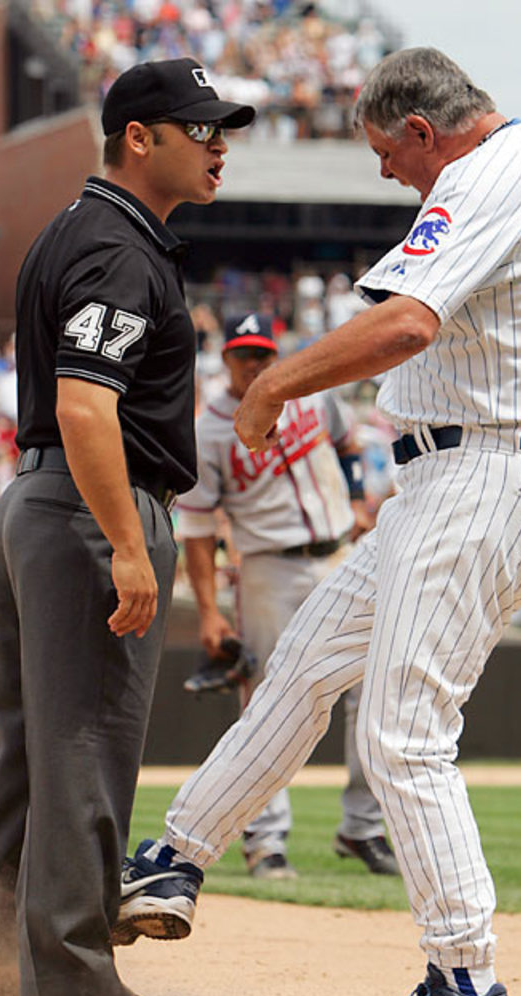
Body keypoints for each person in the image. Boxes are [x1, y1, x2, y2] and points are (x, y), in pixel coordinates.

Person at [116, 47, 521, 996]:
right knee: (302, 671)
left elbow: (405, 323)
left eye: (387, 154)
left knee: (404, 735)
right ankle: (174, 858)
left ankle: (466, 984)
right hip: (490, 475)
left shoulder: (483, 175)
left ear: (422, 129)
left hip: (481, 474)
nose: (387, 173)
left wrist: (273, 386)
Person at [0, 57, 255, 996]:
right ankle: (74, 994)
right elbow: (84, 405)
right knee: (82, 752)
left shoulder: (77, 227)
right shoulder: (116, 244)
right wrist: (127, 546)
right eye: (202, 129)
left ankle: (1, 979)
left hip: (40, 500)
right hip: (88, 508)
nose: (219, 146)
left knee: (26, 757)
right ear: (139, 137)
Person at [175, 312, 399, 879]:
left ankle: (363, 828)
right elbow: (197, 530)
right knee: (268, 699)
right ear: (226, 359)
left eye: (263, 354)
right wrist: (208, 612)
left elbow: (348, 445)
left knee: (372, 689)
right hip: (268, 568)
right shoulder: (210, 431)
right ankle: (265, 838)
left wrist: (355, 499)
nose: (255, 364)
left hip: (341, 556)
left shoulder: (312, 396)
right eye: (244, 355)